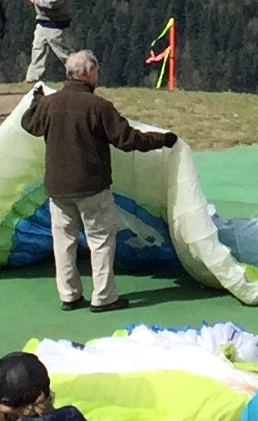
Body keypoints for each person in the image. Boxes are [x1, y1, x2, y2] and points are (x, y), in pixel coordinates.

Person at [19, 50, 176, 312]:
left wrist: (36, 101)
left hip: (58, 188)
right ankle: (103, 297)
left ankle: (69, 295)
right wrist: (162, 139)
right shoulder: (99, 107)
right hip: (92, 187)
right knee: (100, 241)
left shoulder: (50, 104)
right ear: (89, 72)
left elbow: (29, 124)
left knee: (63, 243)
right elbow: (128, 140)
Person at [23, 0, 73, 88]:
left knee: (64, 53)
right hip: (44, 21)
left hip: (54, 23)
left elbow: (54, 0)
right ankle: (32, 78)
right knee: (37, 48)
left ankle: (79, 75)